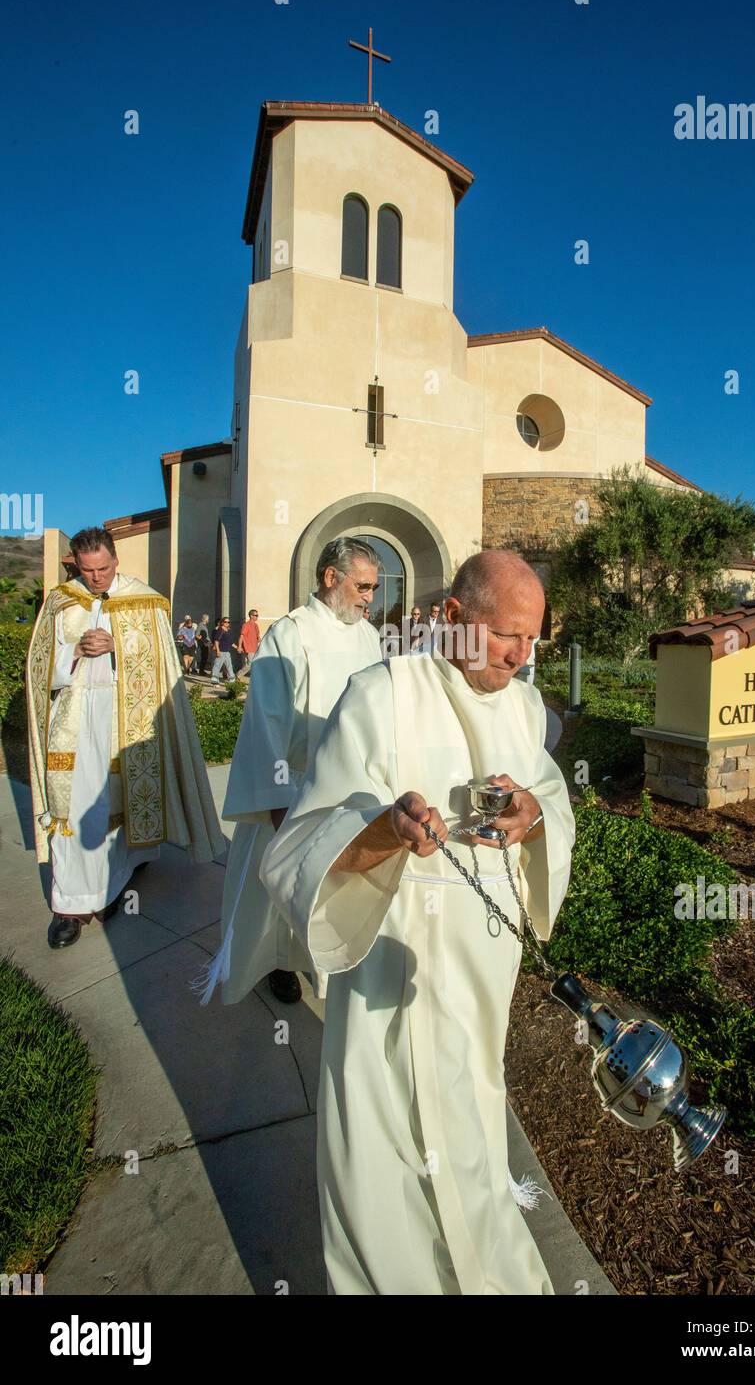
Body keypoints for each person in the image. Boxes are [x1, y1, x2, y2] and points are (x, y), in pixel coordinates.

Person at [260, 550, 575, 1294]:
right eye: (507, 637)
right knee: (379, 1142)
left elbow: (552, 803)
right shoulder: (379, 695)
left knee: (468, 1117)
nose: (521, 657)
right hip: (386, 955)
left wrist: (533, 818)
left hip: (477, 968)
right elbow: (300, 843)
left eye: (534, 641)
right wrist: (380, 832)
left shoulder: (526, 708)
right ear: (457, 620)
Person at [195, 537, 382, 1008]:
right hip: (296, 788)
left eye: (374, 588)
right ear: (329, 577)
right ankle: (278, 962)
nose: (369, 598)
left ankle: (326, 959)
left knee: (333, 884)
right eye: (363, 586)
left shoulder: (368, 635)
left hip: (351, 787)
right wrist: (279, 801)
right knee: (277, 888)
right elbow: (266, 720)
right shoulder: (290, 635)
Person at [26, 527, 224, 950]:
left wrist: (120, 648)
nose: (96, 578)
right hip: (75, 719)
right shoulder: (61, 602)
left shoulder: (145, 600)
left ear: (116, 560)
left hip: (124, 719)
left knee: (118, 805)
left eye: (103, 568)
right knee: (72, 810)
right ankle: (70, 906)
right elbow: (39, 667)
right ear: (75, 565)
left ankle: (114, 882)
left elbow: (163, 666)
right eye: (87, 570)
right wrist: (74, 652)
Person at [211, 618, 236, 683]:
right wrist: (218, 651)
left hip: (227, 651)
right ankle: (214, 680)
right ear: (222, 622)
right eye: (225, 622)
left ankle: (232, 679)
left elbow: (230, 642)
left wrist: (237, 647)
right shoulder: (220, 630)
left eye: (228, 622)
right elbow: (216, 641)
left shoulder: (228, 630)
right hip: (221, 651)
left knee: (229, 665)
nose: (227, 623)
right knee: (217, 665)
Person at [237, 609, 261, 675]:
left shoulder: (256, 625)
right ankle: (238, 675)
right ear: (251, 616)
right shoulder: (246, 625)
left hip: (255, 647)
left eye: (257, 615)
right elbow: (241, 636)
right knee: (250, 664)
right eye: (255, 615)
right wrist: (239, 647)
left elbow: (258, 636)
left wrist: (260, 640)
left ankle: (254, 678)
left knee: (255, 664)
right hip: (248, 648)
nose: (257, 617)